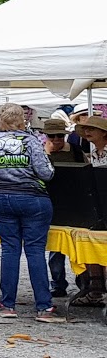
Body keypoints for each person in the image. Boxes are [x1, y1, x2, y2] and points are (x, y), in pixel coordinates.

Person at [0, 103, 62, 322]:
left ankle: (7, 305)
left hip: (0, 198)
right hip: (32, 200)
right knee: (35, 251)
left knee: (9, 250)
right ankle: (44, 308)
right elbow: (46, 174)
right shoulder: (31, 142)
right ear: (22, 120)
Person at [43, 117, 85, 299]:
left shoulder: (76, 151)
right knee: (56, 247)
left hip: (76, 203)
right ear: (46, 136)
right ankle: (58, 284)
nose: (57, 139)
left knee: (79, 246)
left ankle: (83, 283)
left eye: (60, 135)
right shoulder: (41, 153)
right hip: (52, 203)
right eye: (52, 136)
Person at [70, 115, 107, 307]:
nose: (87, 132)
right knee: (91, 245)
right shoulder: (93, 154)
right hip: (97, 206)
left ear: (104, 132)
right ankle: (95, 290)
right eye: (86, 129)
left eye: (92, 129)